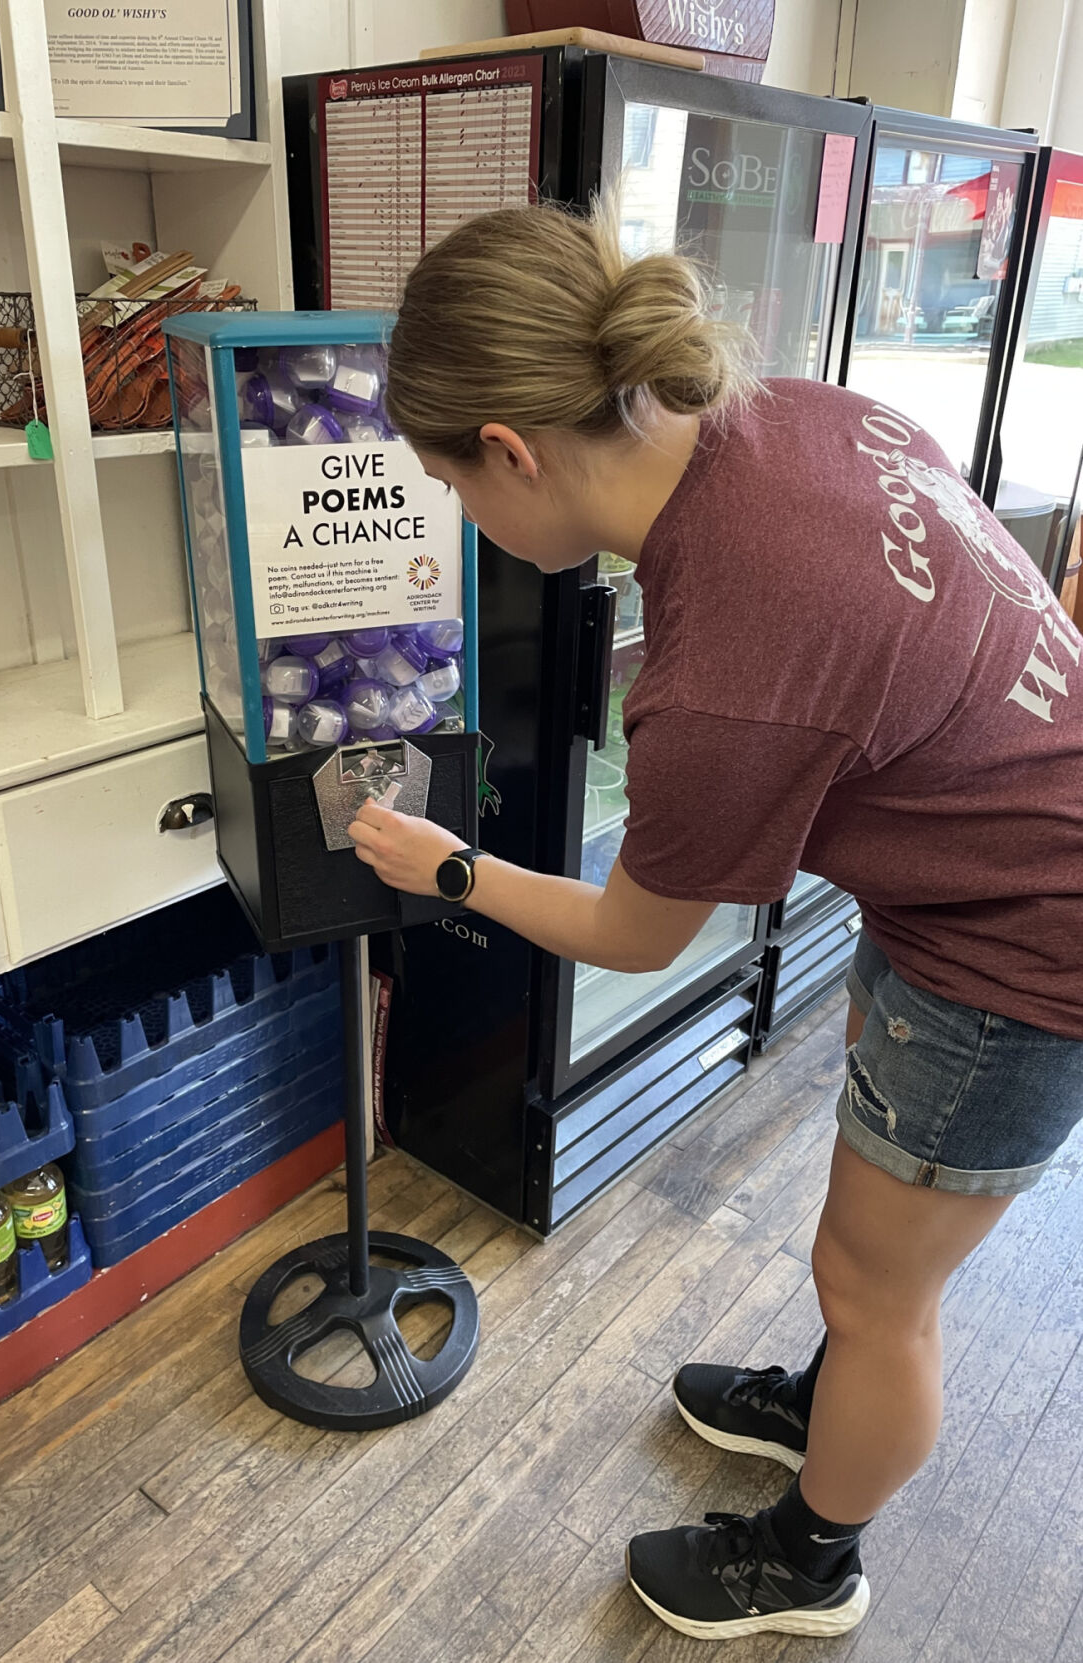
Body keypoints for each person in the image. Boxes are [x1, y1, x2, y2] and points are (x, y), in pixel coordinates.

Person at [345, 199, 1083, 1643]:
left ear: (511, 451)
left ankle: (811, 1561)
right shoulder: (795, 412)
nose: (474, 526)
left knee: (881, 1293)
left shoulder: (718, 677)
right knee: (870, 1255)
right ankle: (826, 1408)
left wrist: (448, 868)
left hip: (1033, 943)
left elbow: (635, 938)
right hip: (975, 865)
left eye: (457, 490)